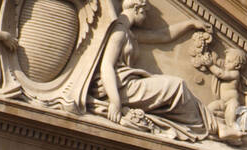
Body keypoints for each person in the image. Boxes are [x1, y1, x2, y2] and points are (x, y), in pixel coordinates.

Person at [91, 0, 218, 141]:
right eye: (145, 13)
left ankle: (211, 126)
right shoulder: (119, 31)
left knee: (178, 88)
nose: (145, 17)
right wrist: (115, 101)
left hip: (127, 84)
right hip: (119, 87)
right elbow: (106, 66)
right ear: (138, 9)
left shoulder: (129, 33)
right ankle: (207, 128)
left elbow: (163, 35)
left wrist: (191, 24)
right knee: (176, 86)